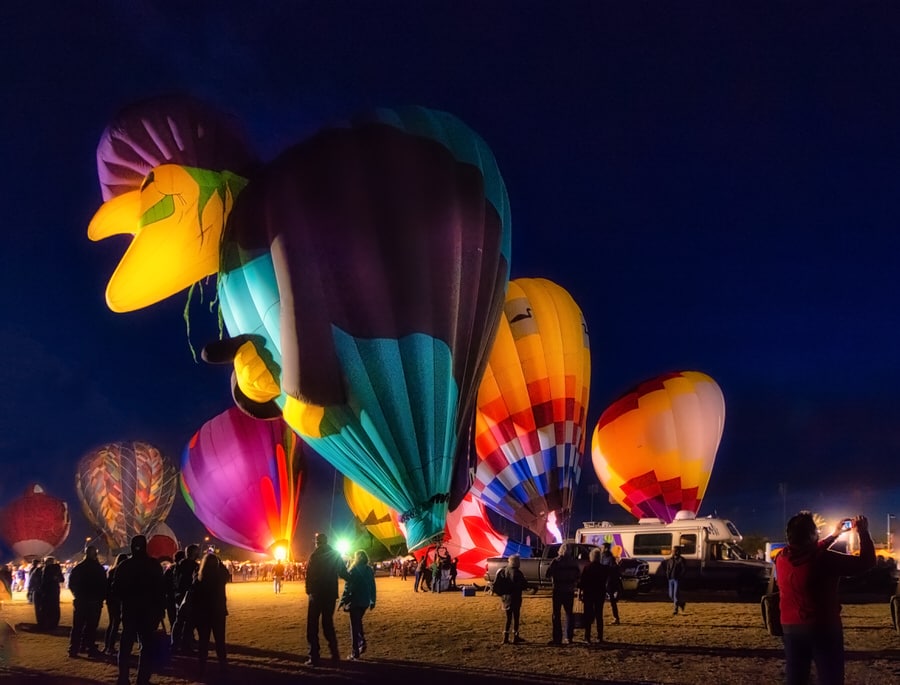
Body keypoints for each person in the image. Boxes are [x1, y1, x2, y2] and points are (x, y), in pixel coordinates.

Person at [775, 512, 874, 685]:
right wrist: (863, 532)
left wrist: (834, 535)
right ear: (812, 535)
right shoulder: (824, 559)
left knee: (796, 678)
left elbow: (809, 551)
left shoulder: (782, 557)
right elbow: (867, 562)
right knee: (831, 677)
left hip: (791, 628)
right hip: (823, 628)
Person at [113, 534, 166, 685]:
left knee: (125, 647)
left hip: (130, 611)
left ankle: (123, 678)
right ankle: (142, 679)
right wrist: (160, 610)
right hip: (149, 612)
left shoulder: (124, 566)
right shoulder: (153, 565)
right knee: (147, 647)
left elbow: (116, 590)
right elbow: (161, 590)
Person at [304, 532, 350, 666]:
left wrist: (309, 591)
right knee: (327, 624)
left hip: (316, 594)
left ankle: (314, 656)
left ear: (317, 542)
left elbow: (309, 575)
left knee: (312, 626)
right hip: (330, 594)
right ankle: (335, 654)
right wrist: (353, 578)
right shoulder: (335, 554)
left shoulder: (314, 555)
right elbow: (343, 572)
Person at [190, 553, 231, 679]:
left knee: (203, 643)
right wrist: (219, 560)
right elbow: (226, 573)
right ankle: (223, 666)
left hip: (203, 614)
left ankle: (202, 668)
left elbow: (193, 588)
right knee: (220, 642)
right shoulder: (220, 577)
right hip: (218, 613)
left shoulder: (199, 577)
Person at [67, 545, 107, 658]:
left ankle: (74, 648)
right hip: (94, 602)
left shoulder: (78, 568)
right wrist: (100, 598)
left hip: (81, 601)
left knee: (78, 626)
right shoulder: (98, 568)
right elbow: (104, 585)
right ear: (95, 554)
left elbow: (71, 584)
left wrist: (77, 595)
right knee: (91, 627)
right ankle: (89, 648)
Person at [339, 550, 376, 660]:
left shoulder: (353, 570)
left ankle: (356, 651)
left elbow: (348, 587)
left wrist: (343, 601)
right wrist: (372, 600)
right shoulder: (369, 570)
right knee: (357, 622)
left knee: (353, 626)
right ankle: (361, 642)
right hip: (364, 601)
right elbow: (372, 586)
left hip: (355, 601)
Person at [546, 543, 580, 645]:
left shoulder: (556, 561)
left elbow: (547, 574)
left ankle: (557, 638)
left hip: (558, 590)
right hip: (569, 590)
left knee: (556, 614)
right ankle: (568, 637)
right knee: (569, 614)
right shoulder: (573, 563)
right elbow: (578, 575)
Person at [171, 543, 200, 653]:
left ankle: (174, 644)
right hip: (188, 596)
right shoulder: (194, 566)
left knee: (178, 622)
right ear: (193, 553)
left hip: (178, 596)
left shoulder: (179, 565)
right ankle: (185, 646)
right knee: (189, 623)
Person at [493, 553, 529, 645]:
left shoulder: (504, 570)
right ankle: (515, 636)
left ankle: (505, 637)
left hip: (505, 598)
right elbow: (524, 585)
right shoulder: (517, 573)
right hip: (515, 597)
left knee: (508, 618)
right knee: (516, 617)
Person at [578, 547, 611, 644]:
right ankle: (600, 637)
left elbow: (582, 583)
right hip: (600, 594)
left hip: (589, 594)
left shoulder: (587, 568)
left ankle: (587, 637)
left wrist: (580, 594)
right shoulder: (604, 569)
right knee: (599, 615)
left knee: (588, 616)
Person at [104, 553, 129, 656]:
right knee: (116, 624)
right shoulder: (123, 572)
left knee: (112, 623)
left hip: (111, 601)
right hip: (118, 600)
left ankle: (108, 645)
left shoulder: (111, 571)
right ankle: (110, 647)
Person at [37, 556, 64, 631]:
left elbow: (44, 581)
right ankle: (54, 624)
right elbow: (62, 579)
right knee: (55, 607)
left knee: (46, 608)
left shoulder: (47, 569)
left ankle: (47, 624)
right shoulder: (57, 569)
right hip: (55, 591)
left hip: (48, 591)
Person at [599, 542, 622, 624]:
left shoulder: (610, 558)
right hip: (604, 581)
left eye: (602, 547)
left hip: (608, 582)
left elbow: (612, 569)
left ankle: (616, 618)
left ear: (605, 548)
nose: (601, 549)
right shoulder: (603, 557)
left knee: (612, 601)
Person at [162, 550, 184, 634]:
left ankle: (174, 634)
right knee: (182, 618)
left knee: (173, 618)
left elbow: (164, 583)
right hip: (181, 597)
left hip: (170, 597)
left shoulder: (169, 569)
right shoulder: (185, 568)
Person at [665, 546, 686, 615]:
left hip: (677, 579)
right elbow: (668, 568)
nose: (673, 552)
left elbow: (684, 569)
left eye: (675, 551)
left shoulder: (681, 560)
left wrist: (680, 576)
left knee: (676, 595)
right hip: (670, 579)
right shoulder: (670, 560)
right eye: (673, 550)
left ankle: (675, 609)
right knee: (671, 595)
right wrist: (667, 574)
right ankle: (681, 604)